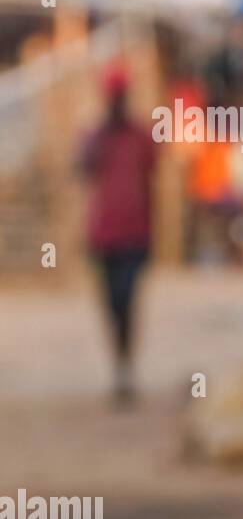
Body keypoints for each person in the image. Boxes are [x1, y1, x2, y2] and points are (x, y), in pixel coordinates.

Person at [80, 61, 158, 407]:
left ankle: (125, 367)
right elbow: (81, 171)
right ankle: (120, 366)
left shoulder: (141, 137)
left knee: (127, 299)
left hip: (135, 234)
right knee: (112, 303)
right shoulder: (96, 137)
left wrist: (152, 231)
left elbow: (151, 182)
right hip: (103, 236)